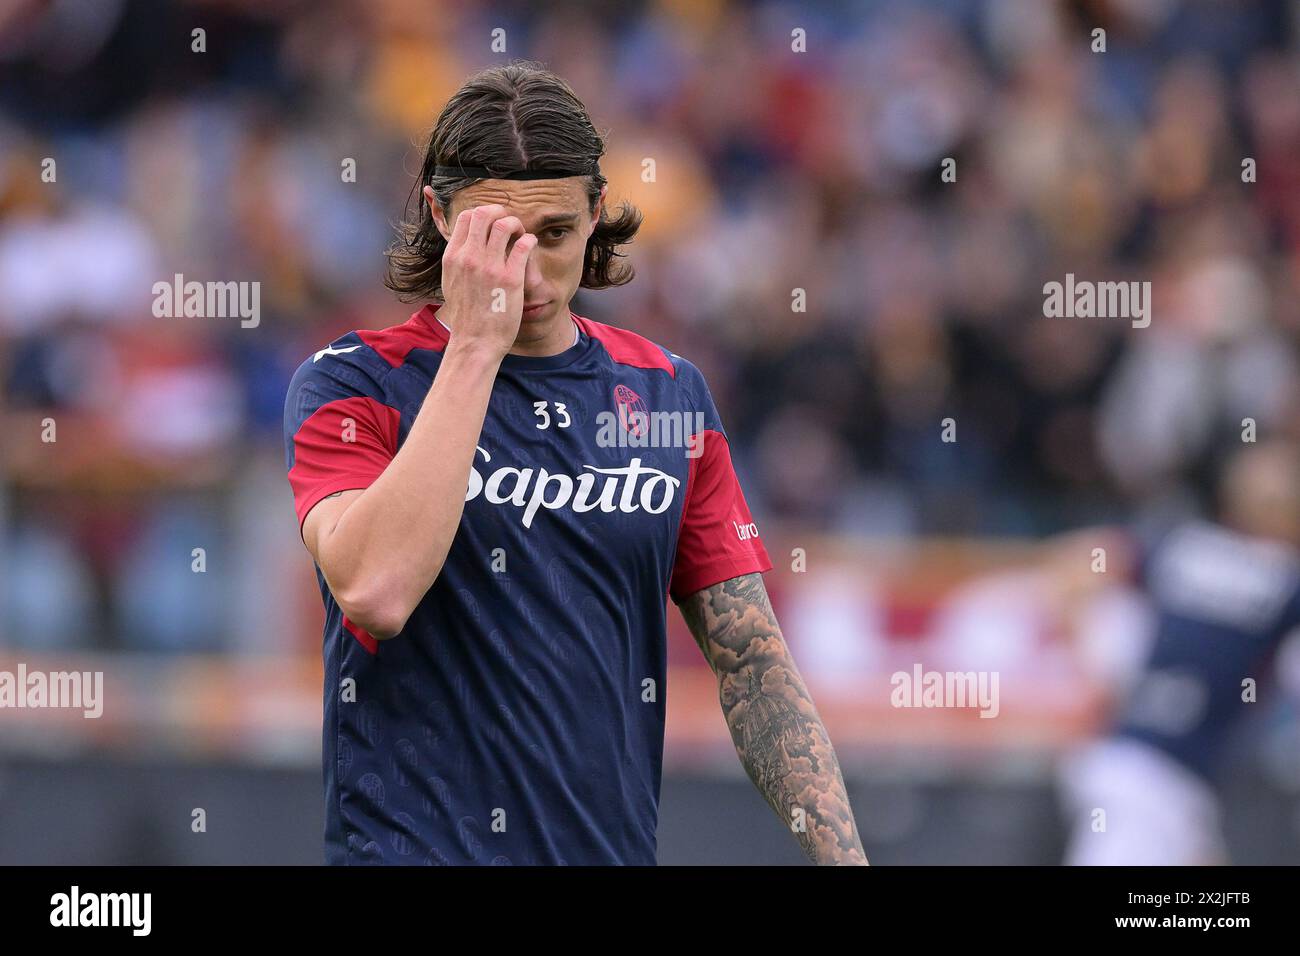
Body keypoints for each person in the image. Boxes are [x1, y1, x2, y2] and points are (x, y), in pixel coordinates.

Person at [282, 62, 867, 865]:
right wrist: (477, 348)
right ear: (438, 216)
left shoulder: (665, 395)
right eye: (495, 237)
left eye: (554, 235)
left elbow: (754, 665)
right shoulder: (353, 383)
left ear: (596, 213)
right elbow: (376, 588)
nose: (526, 271)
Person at [1058, 440, 1300, 864]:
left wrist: (1094, 657)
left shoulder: (1185, 547)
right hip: (1152, 781)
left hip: (1154, 772)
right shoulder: (1282, 579)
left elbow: (1080, 563)